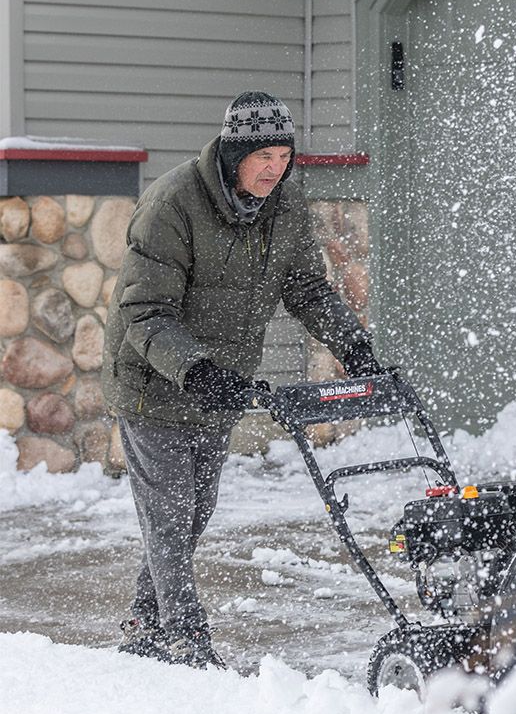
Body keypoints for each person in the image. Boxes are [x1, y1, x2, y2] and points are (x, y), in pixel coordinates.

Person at [101, 91, 383, 669]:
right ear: (235, 155)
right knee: (171, 516)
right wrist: (195, 370)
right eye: (264, 157)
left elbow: (305, 288)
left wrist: (353, 346)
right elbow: (145, 312)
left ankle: (143, 624)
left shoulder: (286, 205)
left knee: (193, 512)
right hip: (155, 382)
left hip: (219, 385)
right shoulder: (173, 204)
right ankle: (186, 641)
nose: (276, 168)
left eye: (284, 155)